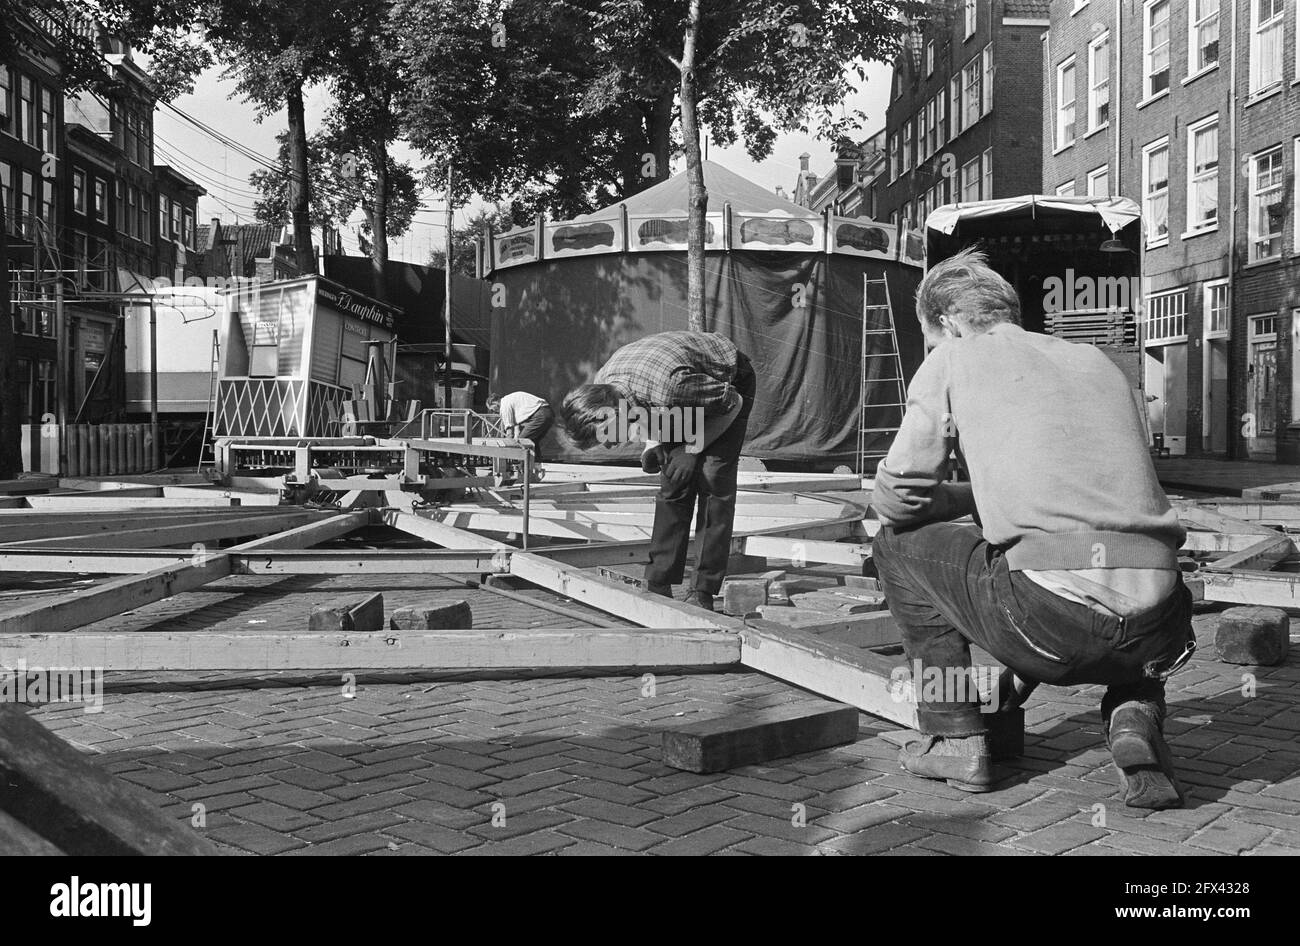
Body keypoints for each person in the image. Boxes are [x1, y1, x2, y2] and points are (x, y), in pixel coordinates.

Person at [871, 247, 1195, 810]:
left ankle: (954, 734)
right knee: (1095, 576)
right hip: (1162, 623)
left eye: (930, 339)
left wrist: (971, 497)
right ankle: (1133, 713)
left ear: (947, 324)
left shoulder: (954, 359)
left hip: (1051, 623)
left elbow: (899, 500)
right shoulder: (1098, 361)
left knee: (895, 547)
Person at [559, 331, 754, 612]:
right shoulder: (608, 386)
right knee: (674, 481)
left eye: (607, 437)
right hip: (679, 387)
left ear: (608, 413)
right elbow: (643, 407)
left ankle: (703, 590)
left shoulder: (672, 388)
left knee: (712, 479)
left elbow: (732, 403)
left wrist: (691, 450)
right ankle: (660, 579)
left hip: (728, 383)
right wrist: (658, 445)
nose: (612, 445)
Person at [487, 391, 555, 464]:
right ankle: (536, 466)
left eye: (492, 409)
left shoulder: (504, 405)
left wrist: (505, 451)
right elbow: (516, 429)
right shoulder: (510, 400)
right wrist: (516, 439)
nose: (493, 412)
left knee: (523, 442)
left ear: (495, 403)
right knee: (532, 441)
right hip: (548, 413)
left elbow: (509, 433)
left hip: (540, 415)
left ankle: (523, 469)